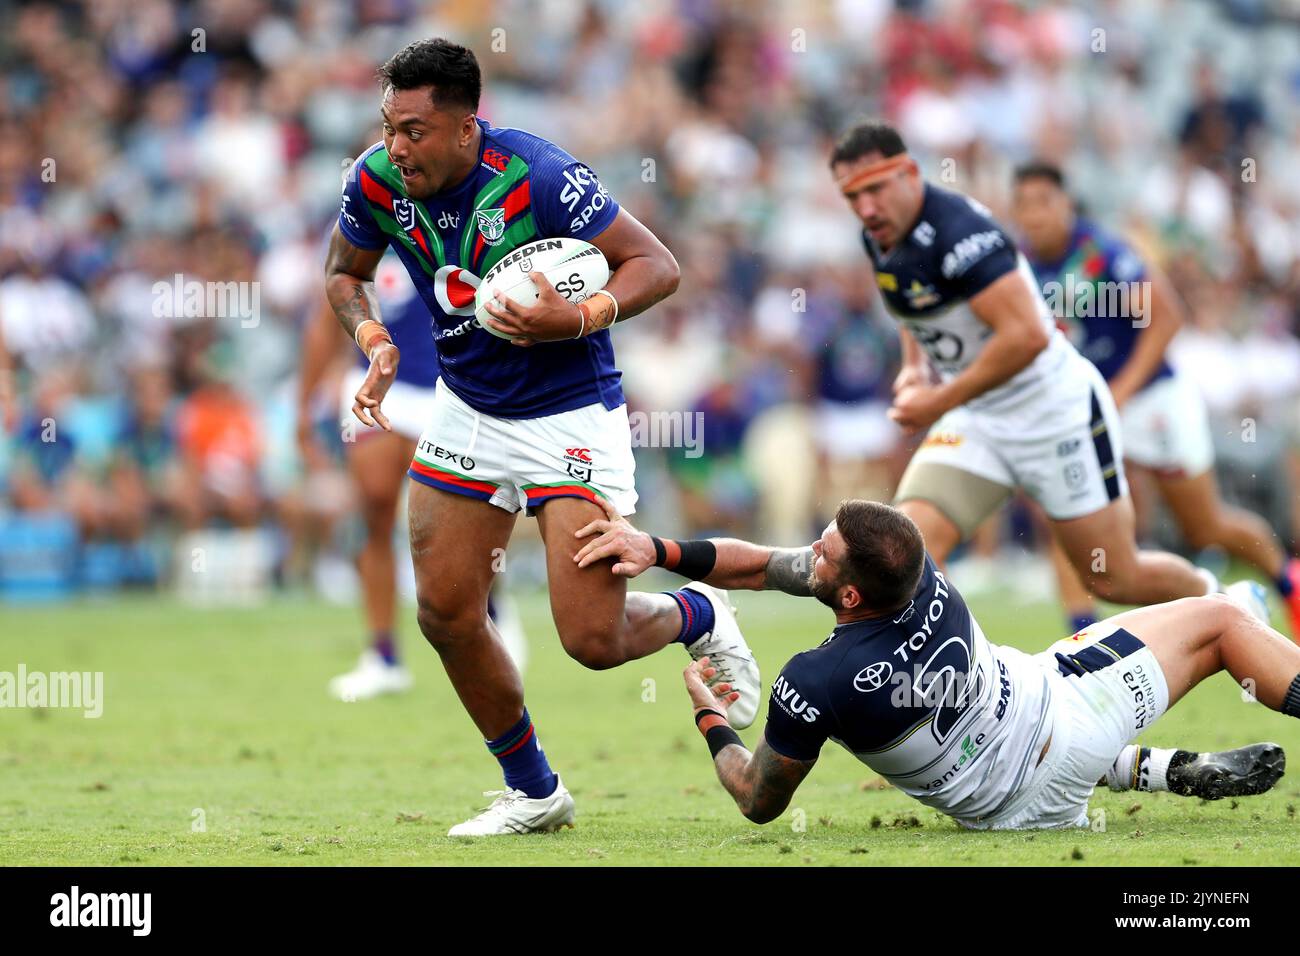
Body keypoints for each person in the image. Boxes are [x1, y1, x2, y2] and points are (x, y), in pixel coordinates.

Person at [324, 38, 760, 835]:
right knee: (447, 612)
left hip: (568, 414)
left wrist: (580, 315)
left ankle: (699, 613)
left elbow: (655, 264)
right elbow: (342, 273)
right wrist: (375, 341)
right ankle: (535, 792)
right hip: (466, 408)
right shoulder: (377, 179)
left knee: (591, 640)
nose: (396, 147)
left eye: (414, 130)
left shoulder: (539, 174)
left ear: (466, 129)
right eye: (388, 125)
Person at [572, 496, 1294, 830]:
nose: (807, 555)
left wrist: (710, 718)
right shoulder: (912, 571)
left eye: (819, 551)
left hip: (1004, 810)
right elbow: (763, 563)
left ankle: (1160, 769)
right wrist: (660, 551)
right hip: (1067, 720)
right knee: (1227, 619)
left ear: (848, 592)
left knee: (1217, 618)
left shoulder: (814, 680)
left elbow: (758, 801)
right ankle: (1156, 761)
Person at [830, 121, 1223, 610]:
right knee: (908, 551)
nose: (865, 208)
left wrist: (938, 400)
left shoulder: (962, 235)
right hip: (980, 416)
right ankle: (969, 679)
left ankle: (1223, 600)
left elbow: (1028, 337)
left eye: (874, 189)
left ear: (910, 173)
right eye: (852, 196)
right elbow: (910, 303)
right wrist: (914, 369)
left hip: (1054, 412)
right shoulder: (881, 234)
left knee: (1114, 577)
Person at [1011, 160, 1300, 637]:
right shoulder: (1019, 269)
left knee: (1206, 528)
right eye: (1023, 204)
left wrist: (1120, 390)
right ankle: (1080, 637)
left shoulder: (1102, 254)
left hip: (1151, 399)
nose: (1034, 214)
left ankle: (1286, 581)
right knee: (1065, 516)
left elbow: (1165, 318)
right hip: (1089, 411)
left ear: (1065, 204)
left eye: (1044, 201)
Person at [298, 251, 526, 701]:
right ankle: (382, 655)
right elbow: (329, 315)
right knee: (374, 511)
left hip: (451, 385)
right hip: (380, 381)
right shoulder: (360, 217)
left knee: (467, 522)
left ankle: (492, 608)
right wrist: (304, 406)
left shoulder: (455, 205)